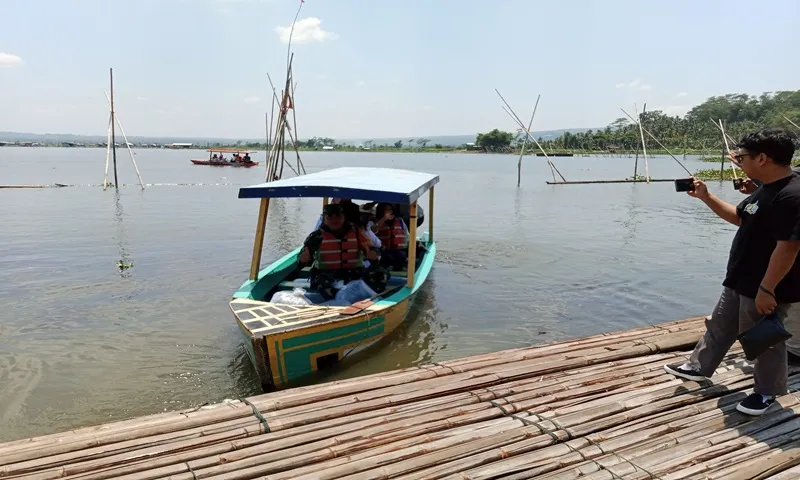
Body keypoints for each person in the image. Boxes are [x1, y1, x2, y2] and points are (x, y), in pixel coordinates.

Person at [664, 128, 800, 416]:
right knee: (721, 325)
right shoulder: (765, 187)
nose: (739, 161)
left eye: (743, 156)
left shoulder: (791, 195)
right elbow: (740, 218)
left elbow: (788, 247)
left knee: (764, 339)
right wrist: (706, 196)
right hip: (741, 276)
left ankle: (766, 392)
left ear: (762, 158)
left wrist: (767, 289)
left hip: (765, 284)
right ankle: (698, 367)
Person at [736, 163, 800, 364]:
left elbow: (789, 245)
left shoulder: (793, 188)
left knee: (793, 310)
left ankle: (793, 352)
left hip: (789, 265)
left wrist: (766, 289)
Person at [299, 203, 378, 299]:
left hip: (353, 272)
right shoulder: (316, 236)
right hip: (326, 274)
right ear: (324, 219)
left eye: (338, 217)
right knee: (322, 282)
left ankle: (375, 300)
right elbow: (301, 262)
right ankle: (335, 301)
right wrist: (303, 258)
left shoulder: (357, 233)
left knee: (379, 274)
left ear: (344, 218)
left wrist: (372, 254)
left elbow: (371, 250)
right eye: (330, 217)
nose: (334, 220)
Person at [372, 203, 409, 270]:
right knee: (387, 257)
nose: (389, 211)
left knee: (401, 255)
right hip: (382, 251)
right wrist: (383, 219)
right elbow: (372, 231)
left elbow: (407, 235)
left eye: (390, 209)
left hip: (397, 250)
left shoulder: (400, 221)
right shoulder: (375, 222)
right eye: (386, 209)